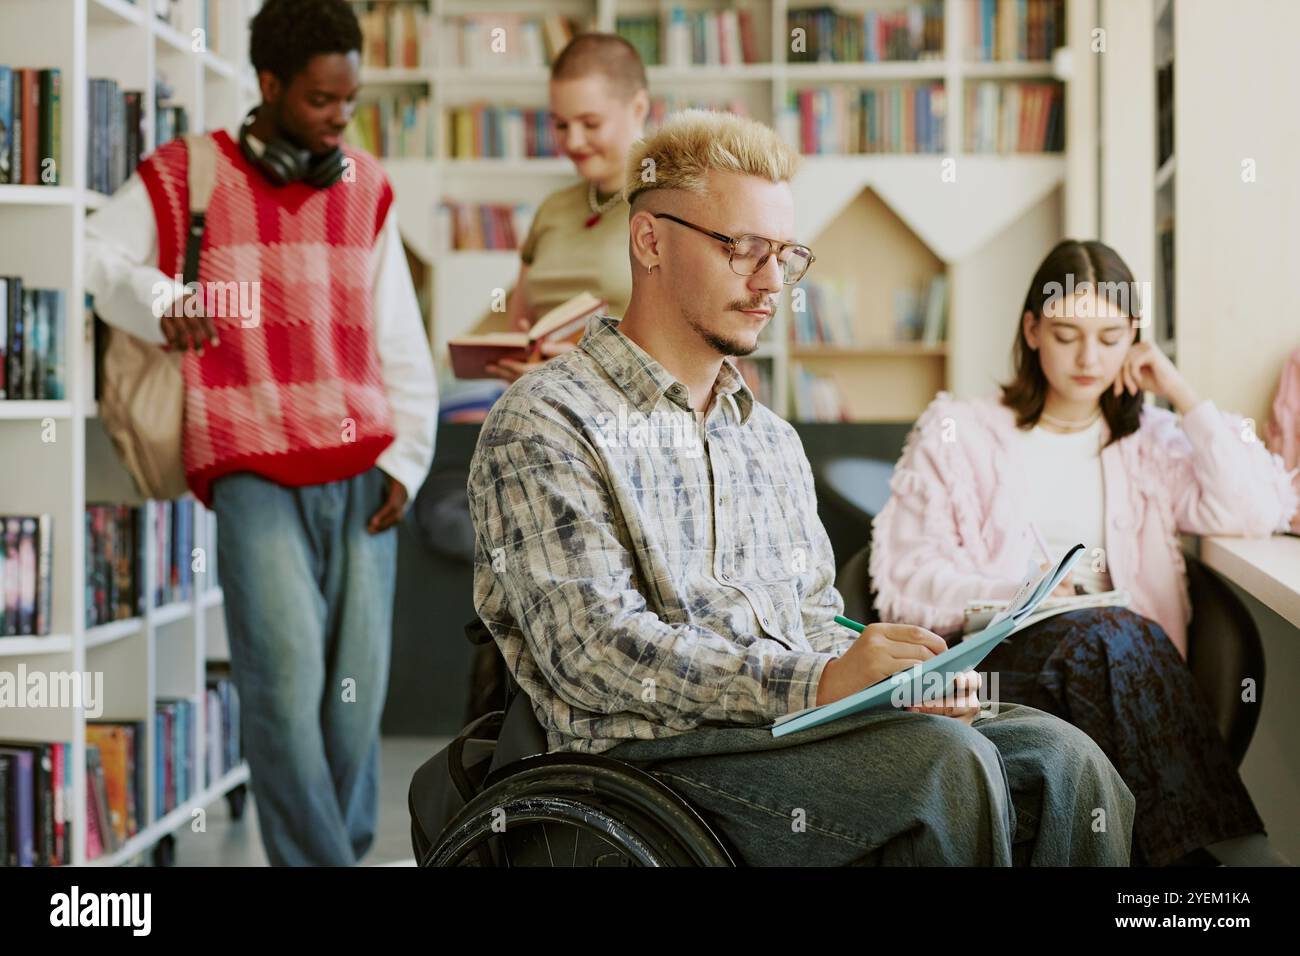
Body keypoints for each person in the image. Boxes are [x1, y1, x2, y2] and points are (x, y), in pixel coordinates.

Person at [467, 112, 1134, 866]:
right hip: (651, 763)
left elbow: (813, 615)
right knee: (948, 770)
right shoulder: (546, 420)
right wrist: (815, 680)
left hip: (794, 728)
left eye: (786, 255)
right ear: (649, 240)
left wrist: (896, 680)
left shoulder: (771, 438)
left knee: (1064, 761)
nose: (770, 284)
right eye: (743, 250)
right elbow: (593, 653)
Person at [84, 0, 437, 865]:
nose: (337, 119)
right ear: (270, 85)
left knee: (355, 701)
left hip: (362, 465)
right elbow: (95, 257)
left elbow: (399, 334)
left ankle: (343, 851)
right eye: (320, 100)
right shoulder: (186, 175)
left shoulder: (367, 186)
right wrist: (162, 300)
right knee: (282, 692)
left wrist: (410, 458)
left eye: (348, 101)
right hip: (247, 465)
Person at [870, 239, 1297, 867]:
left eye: (1110, 336)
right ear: (1033, 330)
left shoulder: (1149, 441)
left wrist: (1179, 390)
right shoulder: (960, 432)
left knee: (1112, 634)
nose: (1088, 357)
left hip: (1122, 677)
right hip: (991, 678)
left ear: (1135, 341)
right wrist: (1021, 588)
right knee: (1110, 633)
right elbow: (902, 580)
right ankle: (1235, 862)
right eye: (1067, 334)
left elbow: (1257, 508)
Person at [484, 32, 649, 382]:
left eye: (591, 124)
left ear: (638, 108)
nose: (572, 142)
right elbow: (519, 329)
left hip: (625, 419)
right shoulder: (553, 209)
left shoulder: (672, 207)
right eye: (561, 125)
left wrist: (586, 366)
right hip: (541, 409)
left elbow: (693, 349)